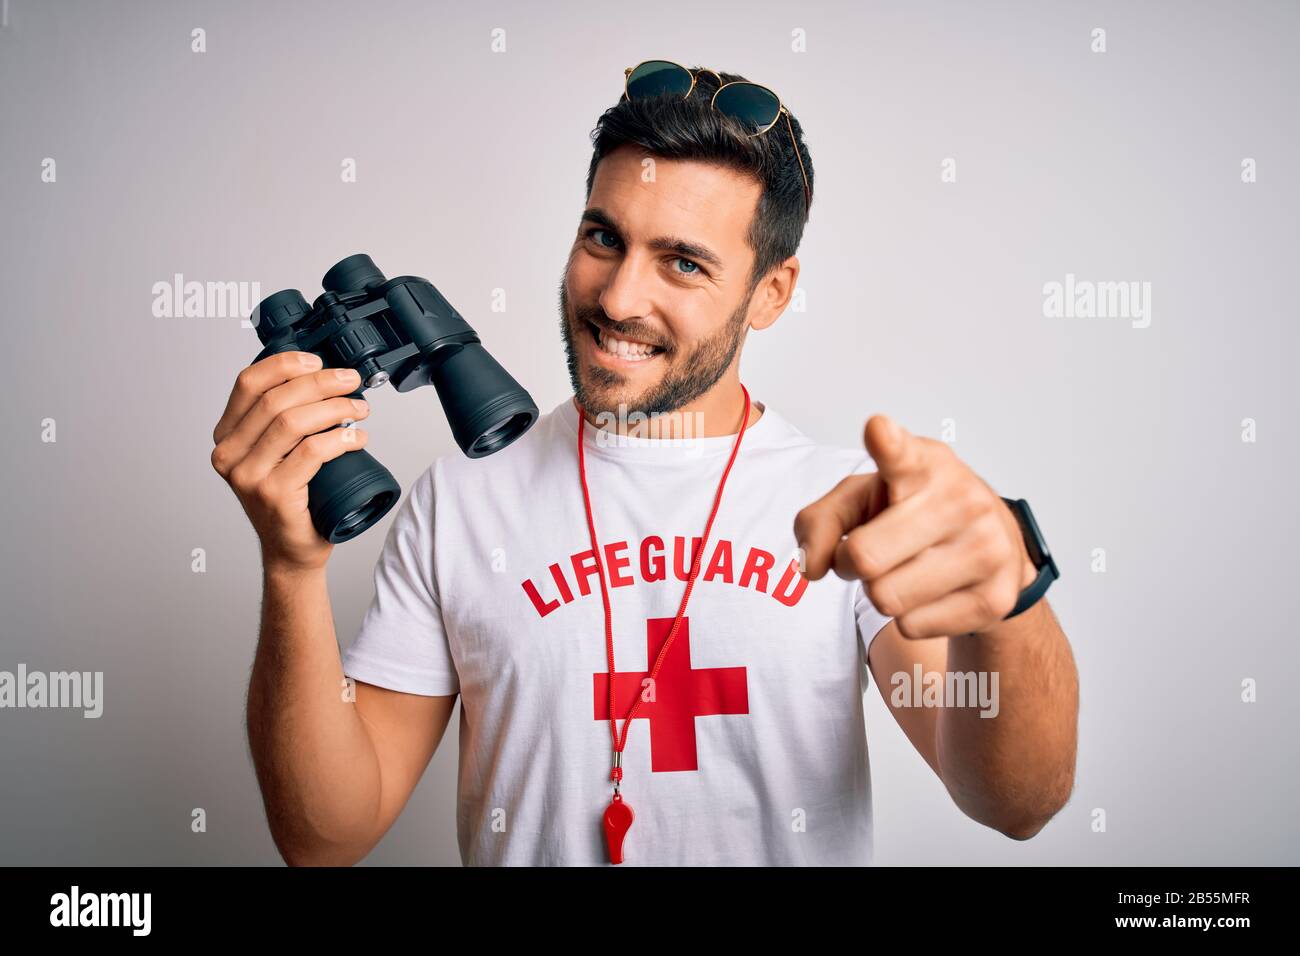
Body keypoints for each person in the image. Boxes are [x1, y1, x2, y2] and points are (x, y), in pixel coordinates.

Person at [210, 61, 1078, 866]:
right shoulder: (460, 500)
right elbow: (327, 835)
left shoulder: (847, 504)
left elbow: (1016, 801)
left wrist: (1011, 598)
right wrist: (291, 567)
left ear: (770, 292)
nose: (620, 297)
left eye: (683, 262)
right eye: (603, 238)